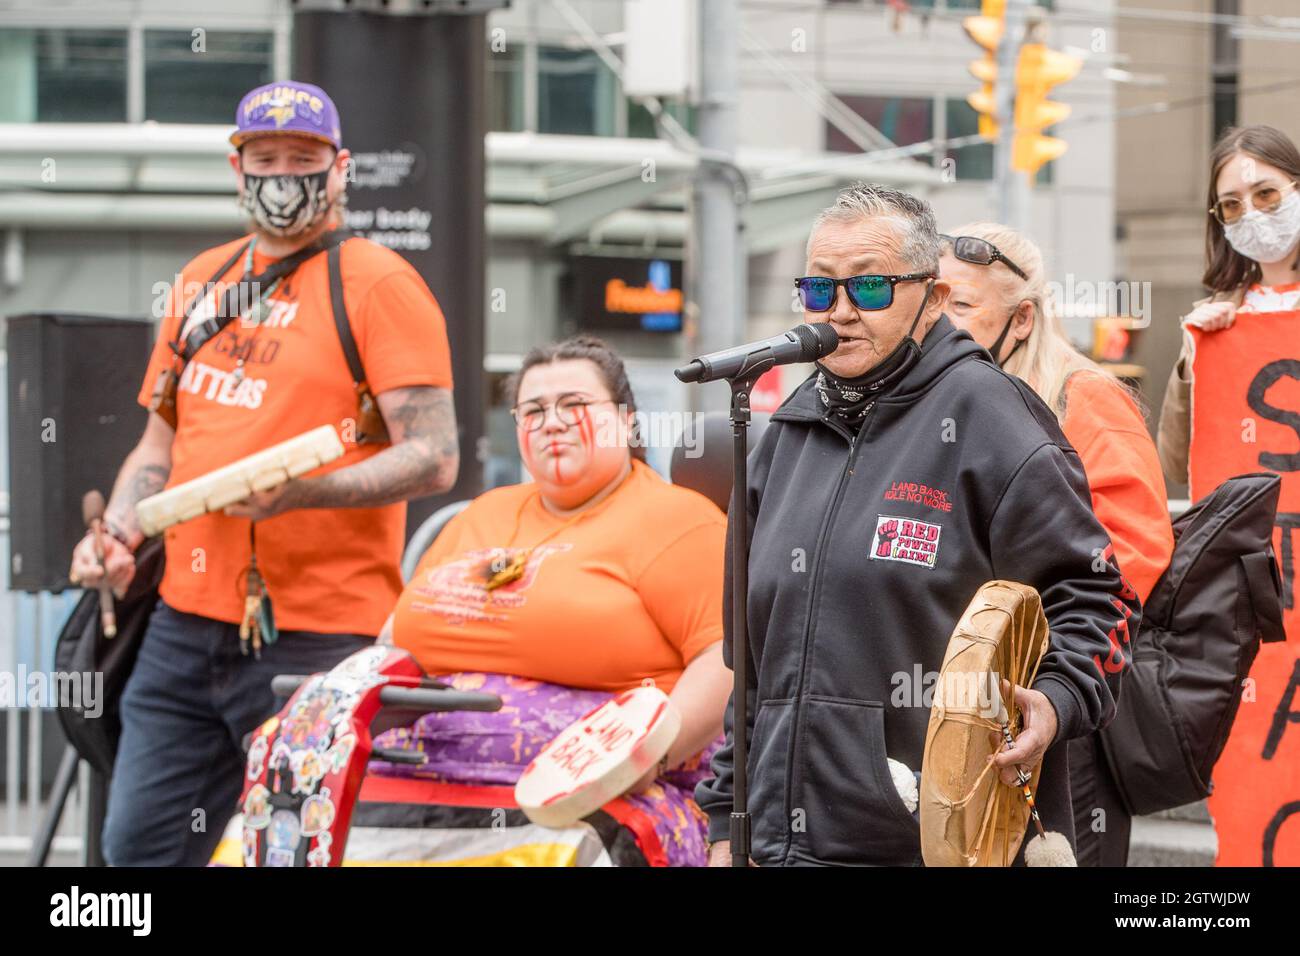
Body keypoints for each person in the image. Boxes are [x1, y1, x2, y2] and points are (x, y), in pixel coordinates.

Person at [68, 80, 460, 866]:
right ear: (237, 167)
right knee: (137, 852)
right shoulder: (201, 280)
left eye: (304, 159)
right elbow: (156, 446)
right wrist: (116, 532)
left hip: (321, 636)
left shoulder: (381, 285)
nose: (284, 175)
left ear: (340, 168)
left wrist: (303, 492)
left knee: (297, 854)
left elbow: (435, 455)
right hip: (182, 624)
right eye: (266, 158)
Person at [696, 183, 1141, 867]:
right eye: (820, 290)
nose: (840, 311)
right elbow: (749, 665)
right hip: (781, 846)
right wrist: (730, 820)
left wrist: (1054, 701)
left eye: (870, 288)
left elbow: (1099, 602)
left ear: (933, 298)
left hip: (933, 844)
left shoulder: (993, 418)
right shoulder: (786, 432)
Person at [374, 336, 732, 865]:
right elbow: (393, 638)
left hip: (591, 795)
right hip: (415, 780)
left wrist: (636, 763)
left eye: (575, 405)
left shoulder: (680, 520)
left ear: (627, 421)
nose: (553, 422)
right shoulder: (481, 514)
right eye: (534, 410)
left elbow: (723, 660)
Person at [940, 223, 1173, 866]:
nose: (941, 320)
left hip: (1064, 704)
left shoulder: (1082, 394)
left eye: (960, 305)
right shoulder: (949, 397)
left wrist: (1057, 672)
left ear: (1021, 319)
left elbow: (1135, 555)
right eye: (934, 300)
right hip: (975, 698)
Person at [1158, 124, 1300, 484]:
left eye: (1266, 193)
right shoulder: (1216, 320)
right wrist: (1194, 360)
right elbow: (1177, 464)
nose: (1251, 212)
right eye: (1232, 204)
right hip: (1252, 537)